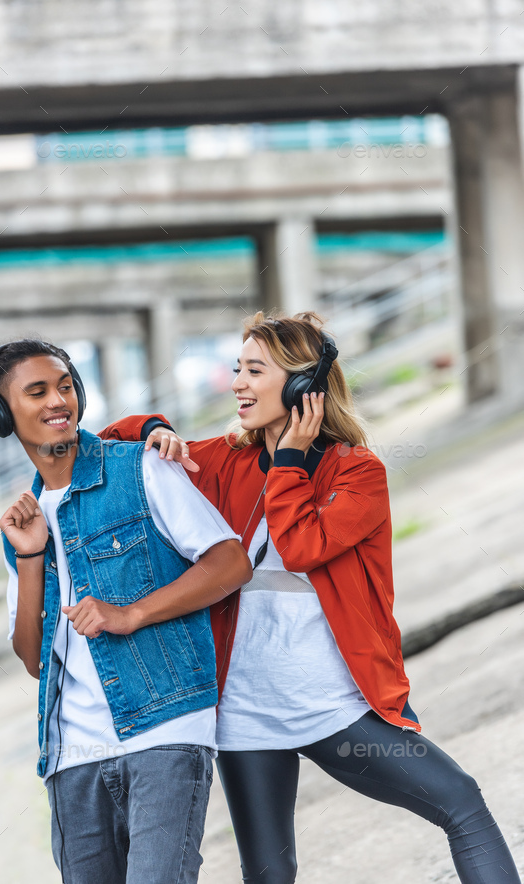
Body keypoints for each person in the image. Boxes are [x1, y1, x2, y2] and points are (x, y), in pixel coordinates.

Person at [101, 311, 521, 884]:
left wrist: (293, 460)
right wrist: (154, 427)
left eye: (255, 370)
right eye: (237, 370)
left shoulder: (357, 473)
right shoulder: (226, 461)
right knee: (270, 874)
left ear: (303, 387)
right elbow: (108, 447)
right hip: (245, 715)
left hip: (333, 711)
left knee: (461, 802)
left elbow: (302, 546)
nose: (239, 384)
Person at [0, 339, 252, 884]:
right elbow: (33, 658)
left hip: (163, 727)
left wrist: (133, 613)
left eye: (65, 385)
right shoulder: (20, 526)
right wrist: (30, 557)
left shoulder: (141, 469)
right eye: (37, 392)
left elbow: (230, 562)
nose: (58, 401)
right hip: (72, 754)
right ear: (2, 414)